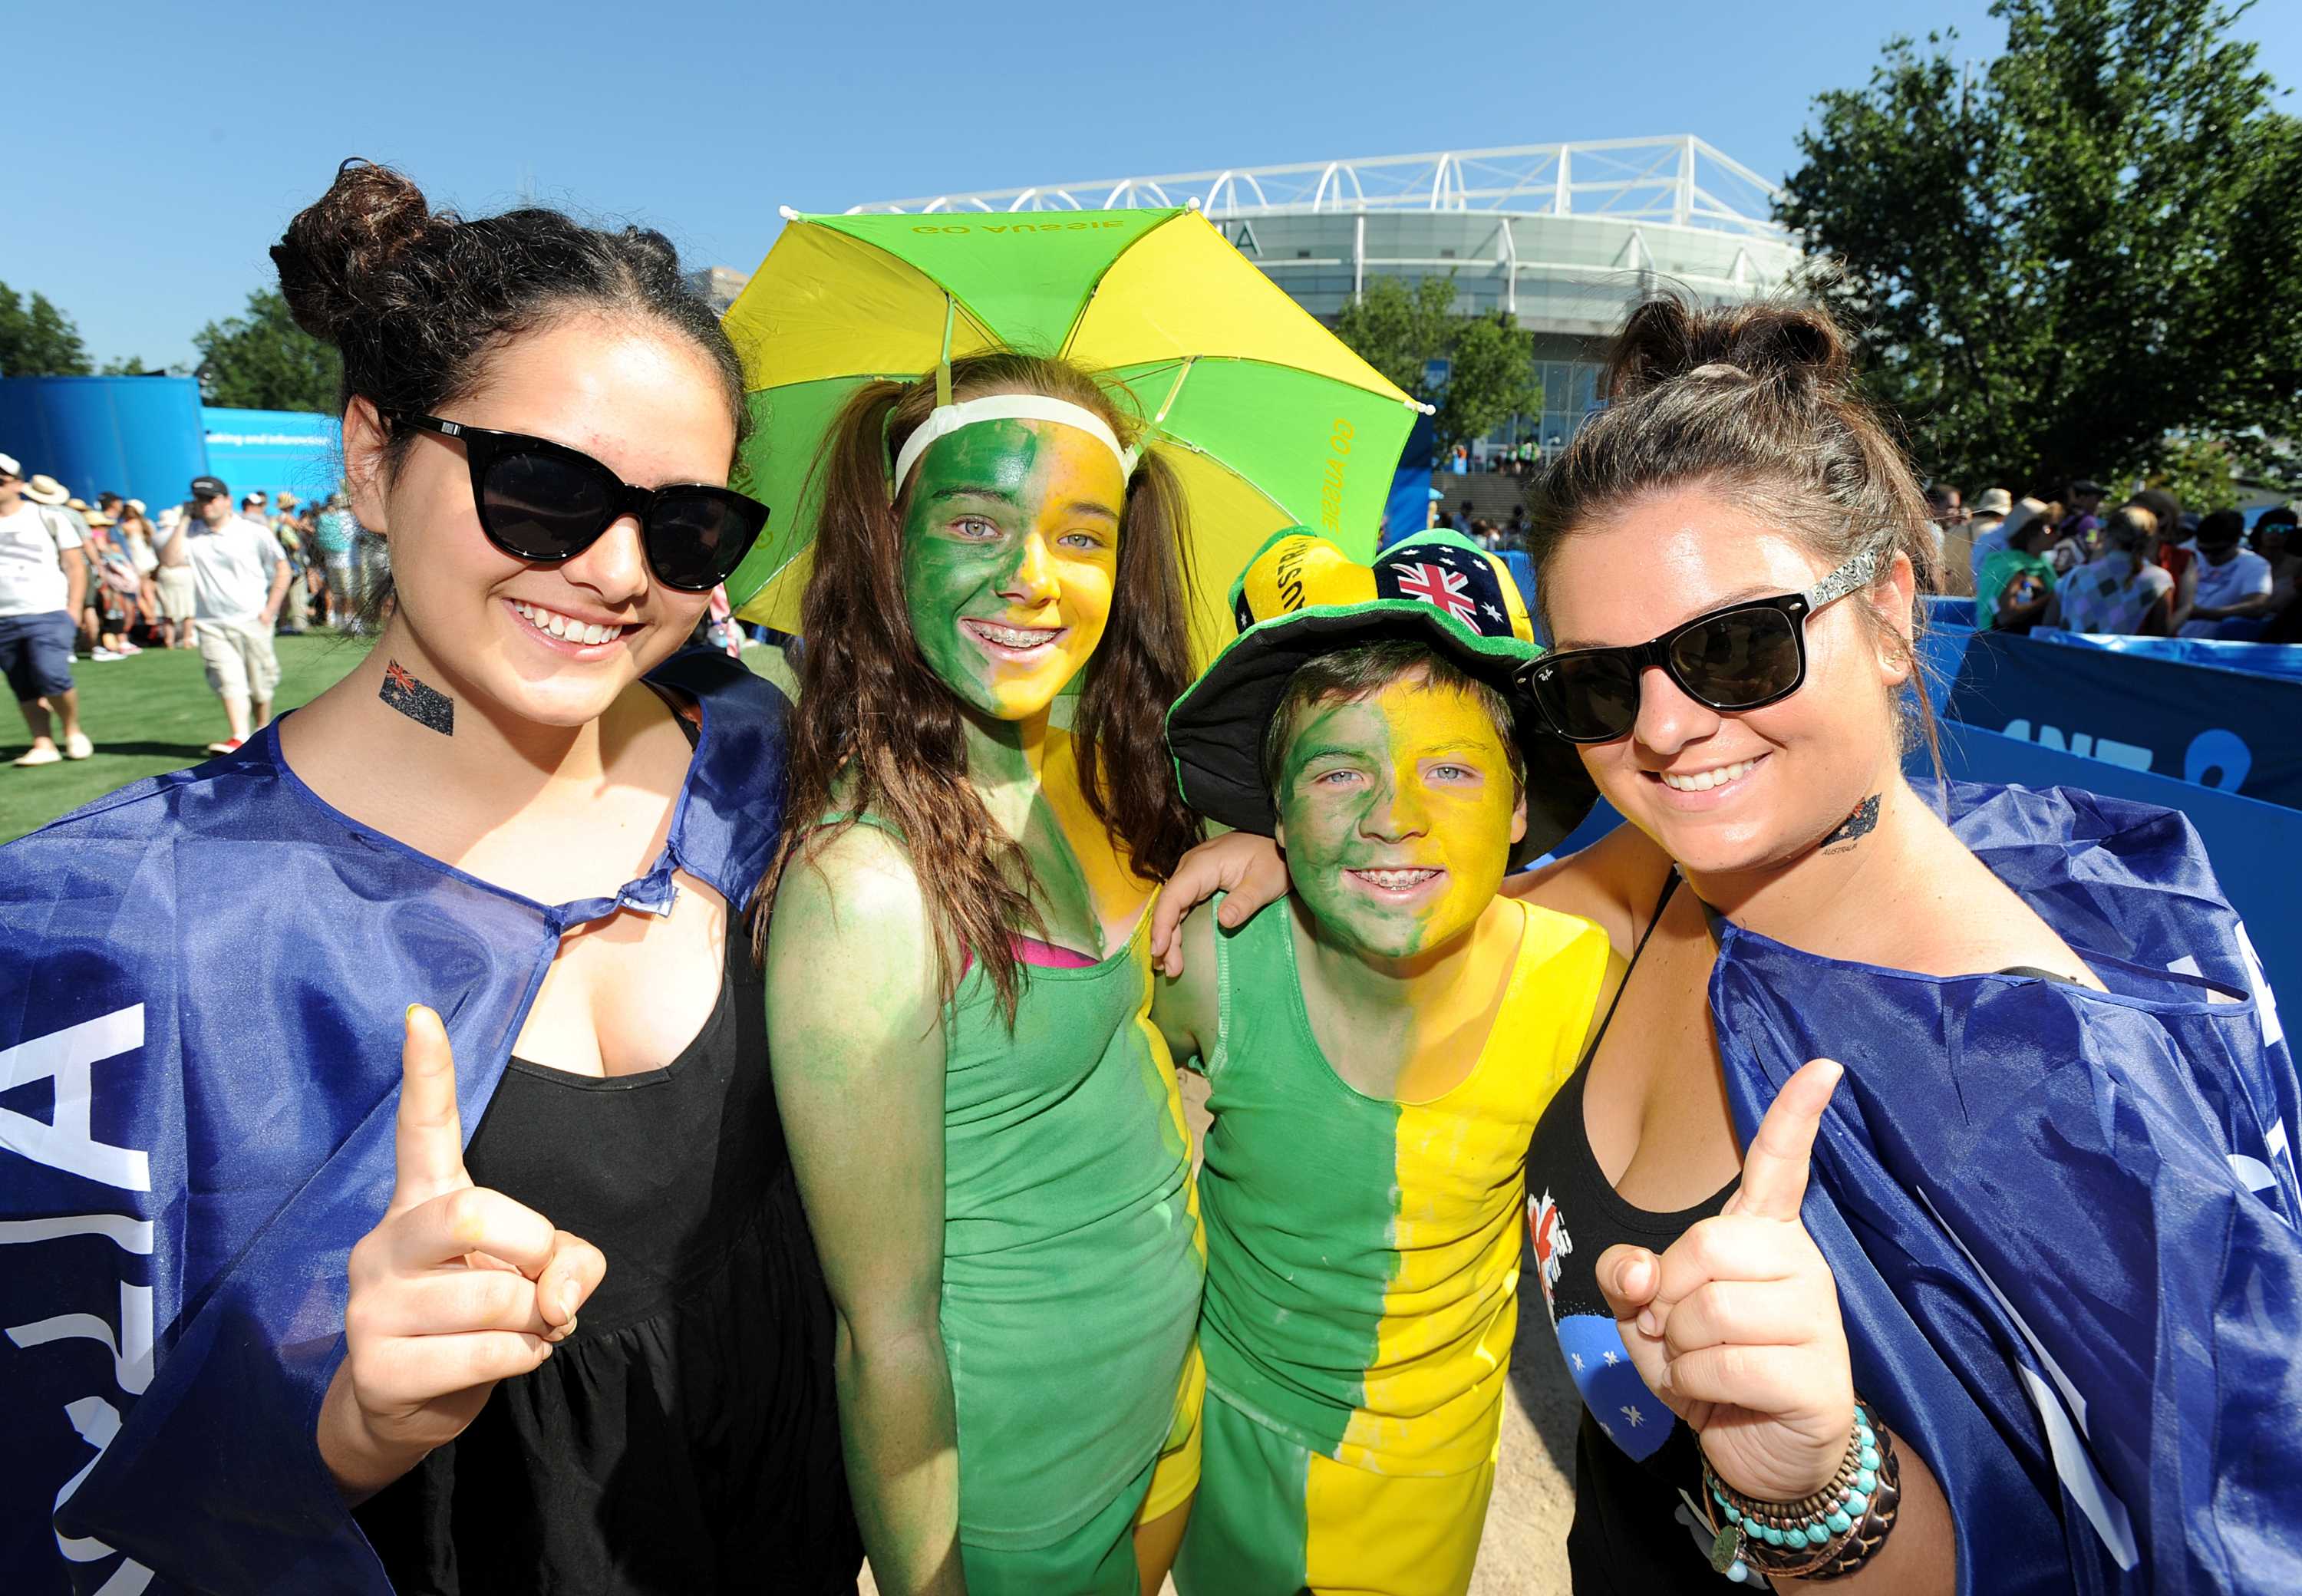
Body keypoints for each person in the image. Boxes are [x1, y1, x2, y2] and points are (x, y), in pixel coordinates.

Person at [1151, 295, 2300, 1594]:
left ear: (1886, 615)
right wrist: (1285, 860)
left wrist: (1819, 1481)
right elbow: (1445, 914)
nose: (1667, 729)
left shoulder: (2040, 1079)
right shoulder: (1666, 872)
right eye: (1597, 681)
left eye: (1738, 648)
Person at [0, 158, 858, 1595]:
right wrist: (336, 1424)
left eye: (687, 525)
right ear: (366, 460)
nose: (614, 570)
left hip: (781, 1511)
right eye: (539, 489)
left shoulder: (758, 763)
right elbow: (54, 1472)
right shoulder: (117, 933)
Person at [759, 351, 1206, 1595]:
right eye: (975, 521)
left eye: (1083, 533)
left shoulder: (1048, 771)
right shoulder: (865, 887)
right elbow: (885, 1339)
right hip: (1021, 1469)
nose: (1032, 576)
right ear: (887, 542)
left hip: (1169, 1402)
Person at [1156, 527, 1615, 1596]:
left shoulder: (1583, 989)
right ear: (1276, 811)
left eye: (1450, 769)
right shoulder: (1208, 964)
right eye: (1335, 773)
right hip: (1225, 1454)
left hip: (1431, 1487)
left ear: (1515, 808)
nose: (1393, 817)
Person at [178, 473, 292, 753]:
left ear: (227, 500)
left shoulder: (253, 531)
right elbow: (168, 560)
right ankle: (239, 736)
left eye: (211, 498)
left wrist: (270, 610)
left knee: (260, 684)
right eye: (200, 499)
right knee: (229, 681)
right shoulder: (190, 532)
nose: (205, 505)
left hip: (252, 618)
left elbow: (283, 567)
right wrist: (182, 521)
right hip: (211, 623)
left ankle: (262, 730)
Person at [0, 451, 94, 765]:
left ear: (18, 484)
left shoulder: (46, 516)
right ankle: (42, 742)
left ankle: (72, 730)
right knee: (22, 682)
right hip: (4, 616)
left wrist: (75, 608)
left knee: (50, 673)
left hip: (48, 610)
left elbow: (74, 565)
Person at [2051, 504, 2173, 635]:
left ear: (2108, 534)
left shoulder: (2074, 576)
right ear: (2150, 539)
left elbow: (2047, 630)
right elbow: (2159, 639)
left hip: (2071, 655)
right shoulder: (2159, 580)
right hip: (2120, 656)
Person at [2178, 508, 2275, 638]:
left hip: (2211, 649)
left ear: (2237, 541)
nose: (2209, 556)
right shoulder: (2186, 552)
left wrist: (2203, 614)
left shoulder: (2255, 565)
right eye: (2203, 550)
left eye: (2218, 551)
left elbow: (2257, 606)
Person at [1974, 500, 2058, 632]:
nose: (2058, 533)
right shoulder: (2015, 568)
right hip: (2004, 649)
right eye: (2051, 529)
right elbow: (2007, 616)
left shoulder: (2040, 565)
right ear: (2031, 533)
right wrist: (2052, 596)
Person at [313, 489, 361, 627]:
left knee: (338, 592)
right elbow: (360, 536)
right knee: (352, 592)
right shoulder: (349, 517)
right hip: (350, 560)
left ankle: (340, 620)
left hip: (331, 560)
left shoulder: (323, 518)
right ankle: (354, 622)